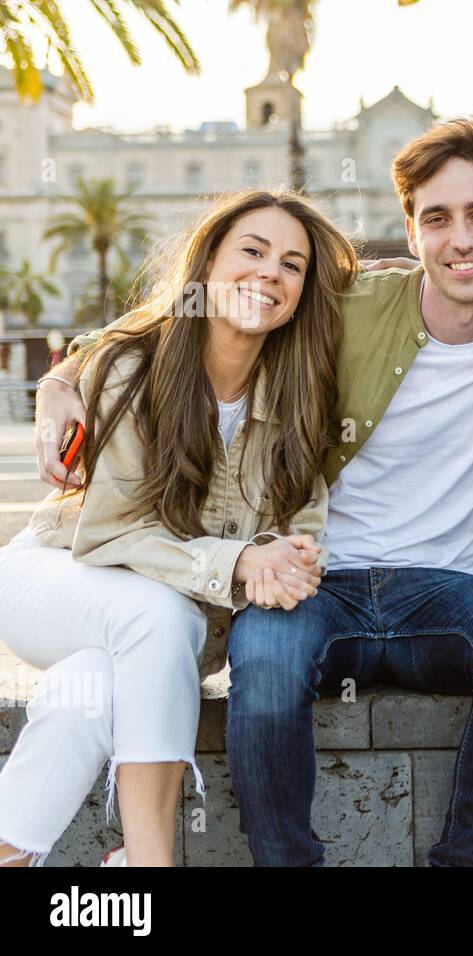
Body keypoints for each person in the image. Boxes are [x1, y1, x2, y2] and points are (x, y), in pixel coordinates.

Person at [33, 113, 473, 867]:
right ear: (412, 229)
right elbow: (195, 306)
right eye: (438, 218)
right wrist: (64, 375)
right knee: (263, 652)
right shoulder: (348, 304)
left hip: (455, 592)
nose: (461, 239)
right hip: (322, 577)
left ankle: (466, 862)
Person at [0, 189, 353, 866]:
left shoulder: (299, 394)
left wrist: (288, 561)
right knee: (162, 619)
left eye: (291, 265)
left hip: (155, 628)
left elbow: (299, 522)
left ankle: (13, 852)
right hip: (52, 575)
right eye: (251, 252)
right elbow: (106, 533)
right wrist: (242, 563)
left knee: (93, 686)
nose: (269, 274)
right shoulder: (133, 365)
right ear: (208, 263)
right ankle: (150, 863)